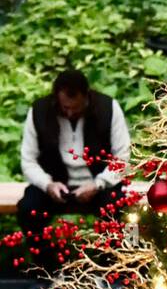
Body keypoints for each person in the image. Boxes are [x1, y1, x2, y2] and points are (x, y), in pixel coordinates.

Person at [17, 69, 130, 262]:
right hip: (55, 184)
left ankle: (113, 266)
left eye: (76, 108)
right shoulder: (39, 111)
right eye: (65, 107)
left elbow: (122, 157)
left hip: (99, 184)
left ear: (86, 97)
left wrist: (98, 184)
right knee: (28, 209)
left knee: (121, 210)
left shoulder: (108, 108)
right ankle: (46, 267)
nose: (70, 113)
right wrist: (47, 184)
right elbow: (28, 160)